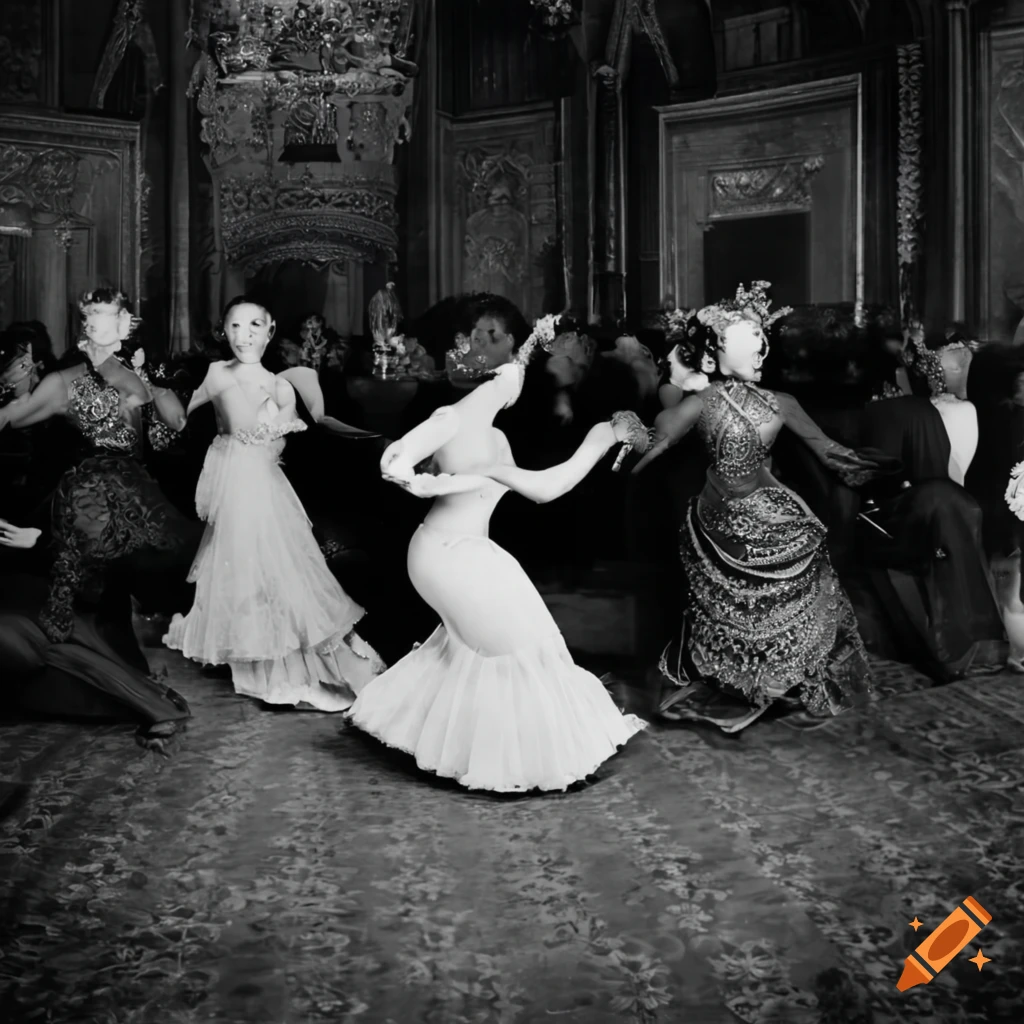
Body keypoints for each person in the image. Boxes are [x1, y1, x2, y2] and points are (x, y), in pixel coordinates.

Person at [345, 317, 649, 793]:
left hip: (476, 550)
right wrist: (431, 483)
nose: (516, 384)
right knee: (508, 649)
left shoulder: (497, 438)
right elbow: (393, 462)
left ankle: (440, 734)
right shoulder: (449, 418)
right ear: (497, 377)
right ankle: (498, 760)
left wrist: (602, 437)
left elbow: (545, 489)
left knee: (528, 642)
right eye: (511, 374)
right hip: (441, 552)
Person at [633, 282, 884, 733]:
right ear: (712, 355)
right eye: (747, 340)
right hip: (718, 514)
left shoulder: (782, 403)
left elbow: (831, 453)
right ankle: (741, 676)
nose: (760, 349)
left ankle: (775, 676)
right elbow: (652, 446)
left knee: (806, 548)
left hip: (769, 503)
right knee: (743, 588)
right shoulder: (701, 403)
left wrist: (882, 475)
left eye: (760, 339)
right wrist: (620, 437)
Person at [163, 296, 385, 711]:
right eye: (234, 326)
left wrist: (274, 427)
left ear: (270, 330)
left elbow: (282, 437)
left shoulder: (282, 385)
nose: (243, 336)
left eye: (253, 326)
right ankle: (263, 661)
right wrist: (157, 396)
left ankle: (301, 664)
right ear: (223, 330)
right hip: (232, 481)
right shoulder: (217, 372)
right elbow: (180, 418)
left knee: (280, 567)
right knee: (243, 566)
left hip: (264, 486)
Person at [0, 288, 198, 645]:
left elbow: (176, 423)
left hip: (147, 499)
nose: (94, 322)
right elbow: (13, 420)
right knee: (98, 599)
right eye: (90, 316)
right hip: (92, 496)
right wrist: (10, 384)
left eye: (106, 315)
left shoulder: (146, 372)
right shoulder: (66, 380)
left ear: (125, 323)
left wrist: (146, 377)